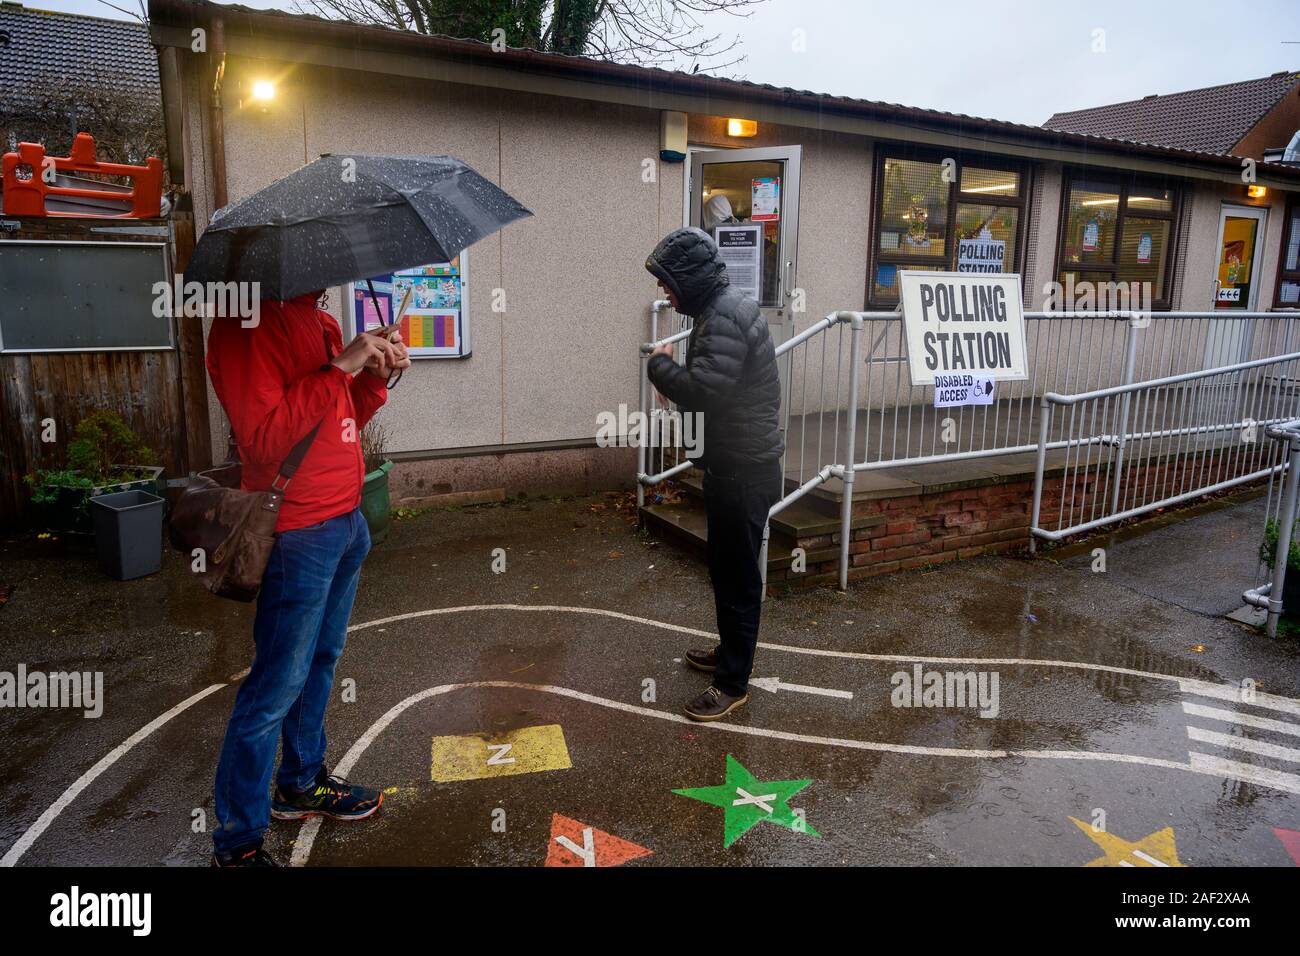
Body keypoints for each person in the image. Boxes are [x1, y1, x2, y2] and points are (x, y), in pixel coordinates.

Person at [205, 292, 411, 867]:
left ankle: (300, 783)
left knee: (321, 660)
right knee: (274, 685)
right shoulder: (247, 325)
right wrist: (341, 365)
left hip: (345, 522)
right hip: (298, 532)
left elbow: (338, 419)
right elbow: (266, 441)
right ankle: (238, 843)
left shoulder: (319, 319)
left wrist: (374, 376)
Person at [644, 228, 784, 721]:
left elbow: (705, 391)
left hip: (743, 471)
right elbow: (715, 390)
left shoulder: (722, 316)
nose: (664, 291)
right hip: (737, 464)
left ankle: (732, 684)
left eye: (667, 281)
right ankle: (729, 655)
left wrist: (660, 368)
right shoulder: (723, 308)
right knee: (727, 569)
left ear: (689, 277)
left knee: (738, 577)